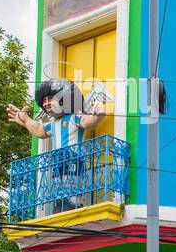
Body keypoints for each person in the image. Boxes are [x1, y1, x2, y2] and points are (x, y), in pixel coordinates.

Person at [6, 78, 109, 212]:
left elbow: (88, 122)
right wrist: (26, 120)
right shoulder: (53, 123)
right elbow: (40, 130)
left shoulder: (73, 117)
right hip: (57, 159)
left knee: (71, 181)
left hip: (73, 157)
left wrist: (98, 115)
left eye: (50, 98)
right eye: (44, 101)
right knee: (57, 183)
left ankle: (74, 204)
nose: (46, 103)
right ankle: (59, 204)